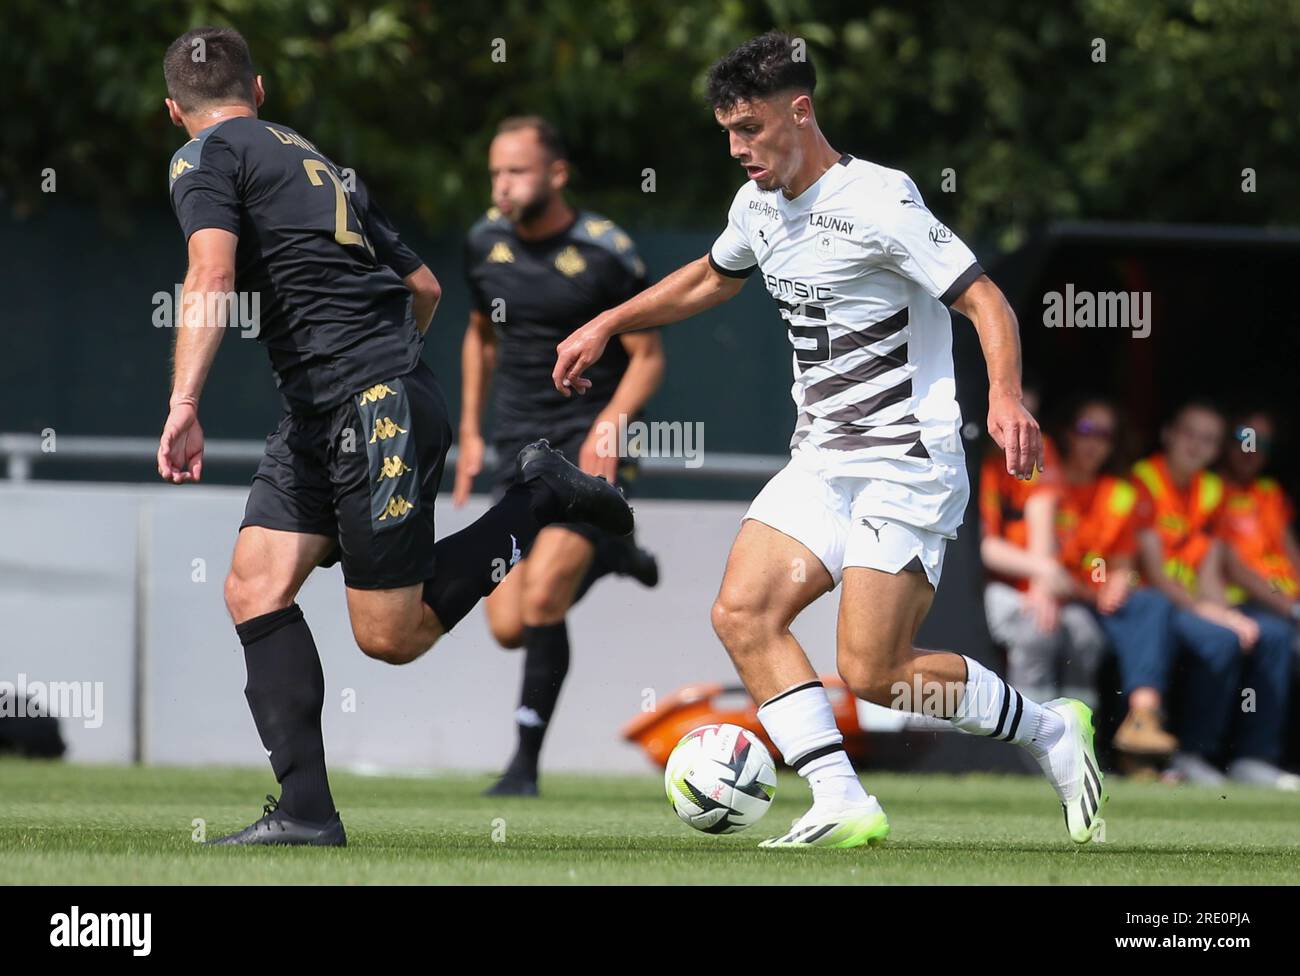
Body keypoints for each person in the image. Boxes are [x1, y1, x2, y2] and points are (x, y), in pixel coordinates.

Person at [553, 32, 1105, 846]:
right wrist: (608, 321)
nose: (738, 149)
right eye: (728, 133)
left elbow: (985, 300)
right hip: (821, 459)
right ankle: (841, 800)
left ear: (799, 112)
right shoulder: (757, 206)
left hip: (905, 460)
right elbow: (711, 276)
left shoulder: (882, 201)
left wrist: (1006, 398)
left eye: (750, 129)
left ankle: (1052, 729)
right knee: (742, 613)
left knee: (876, 674)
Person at [156, 27, 631, 846]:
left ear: (174, 111)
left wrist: (183, 402)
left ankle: (542, 495)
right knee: (253, 587)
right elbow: (424, 285)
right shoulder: (321, 165)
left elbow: (211, 274)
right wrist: (388, 376)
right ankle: (306, 814)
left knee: (392, 636)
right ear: (261, 90)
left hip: (368, 407)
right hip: (334, 407)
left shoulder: (201, 158)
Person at [456, 117, 664, 796]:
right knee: (508, 625)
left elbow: (648, 356)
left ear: (557, 174)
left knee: (543, 598)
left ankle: (523, 767)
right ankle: (613, 554)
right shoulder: (483, 243)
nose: (503, 186)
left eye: (517, 171)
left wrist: (609, 426)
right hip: (517, 449)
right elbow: (479, 336)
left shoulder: (605, 253)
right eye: (495, 173)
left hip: (585, 448)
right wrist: (470, 432)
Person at [1132, 401, 1294, 787]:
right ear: (1169, 434)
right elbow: (1156, 575)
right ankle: (1191, 752)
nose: (1197, 445)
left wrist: (1228, 612)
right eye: (1189, 434)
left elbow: (1209, 570)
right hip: (1152, 604)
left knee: (1271, 634)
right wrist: (1219, 617)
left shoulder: (1212, 489)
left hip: (1194, 604)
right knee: (1221, 638)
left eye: (1208, 439)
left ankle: (1254, 758)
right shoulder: (1144, 479)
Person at [1048, 397, 1178, 756]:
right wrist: (1093, 592)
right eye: (1087, 430)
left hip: (1098, 600)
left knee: (1152, 604)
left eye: (1106, 435)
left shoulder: (1119, 493)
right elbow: (1044, 563)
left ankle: (1143, 717)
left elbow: (1123, 564)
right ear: (1067, 433)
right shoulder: (1045, 481)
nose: (1094, 442)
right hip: (1055, 595)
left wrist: (1123, 580)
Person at [980, 387, 1103, 708]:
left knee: (1084, 633)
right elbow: (985, 548)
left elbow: (1043, 519)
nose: (1017, 426)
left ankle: (1079, 734)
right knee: (1037, 630)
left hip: (1040, 583)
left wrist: (1043, 584)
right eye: (1009, 417)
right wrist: (1046, 571)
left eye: (1025, 418)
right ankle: (1029, 740)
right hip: (986, 585)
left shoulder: (1038, 449)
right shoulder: (976, 459)